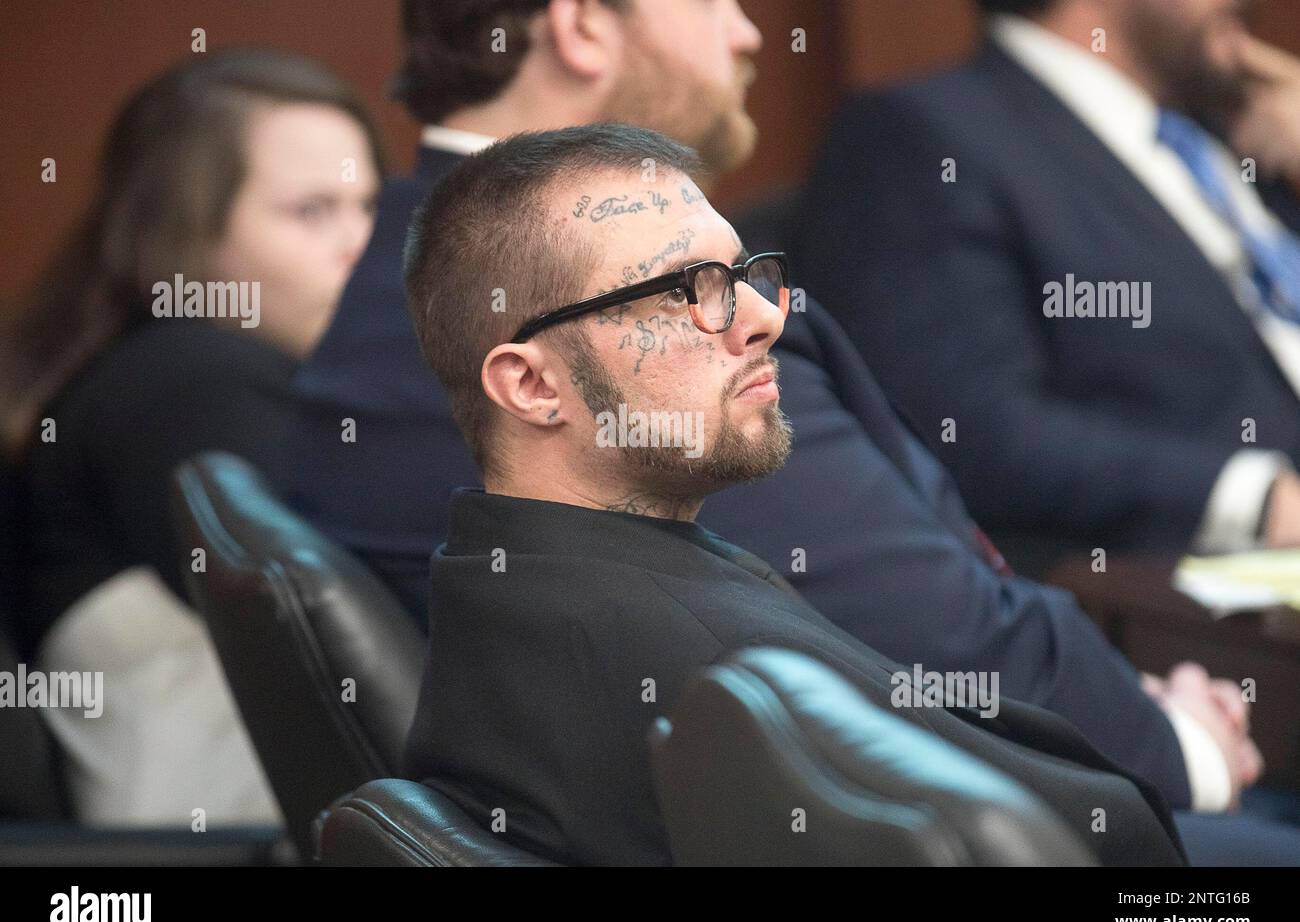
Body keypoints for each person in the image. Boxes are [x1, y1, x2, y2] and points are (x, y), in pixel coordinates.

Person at [283, 0, 1274, 832]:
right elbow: (931, 643)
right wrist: (1181, 750)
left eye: (742, 276)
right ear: (582, 24)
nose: (753, 31)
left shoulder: (413, 284)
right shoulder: (502, 327)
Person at [399, 123, 1194, 866]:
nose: (763, 319)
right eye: (688, 289)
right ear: (532, 384)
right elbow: (1115, 837)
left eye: (746, 274)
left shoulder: (490, 579)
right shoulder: (715, 666)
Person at [0, 49, 383, 825]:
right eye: (311, 211)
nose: (362, 246)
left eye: (369, 206)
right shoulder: (188, 377)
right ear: (186, 234)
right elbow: (387, 614)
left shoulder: (133, 369)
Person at [797, 0, 1300, 566]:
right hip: (1173, 599)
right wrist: (1259, 500)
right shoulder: (922, 135)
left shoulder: (1245, 130)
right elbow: (972, 428)